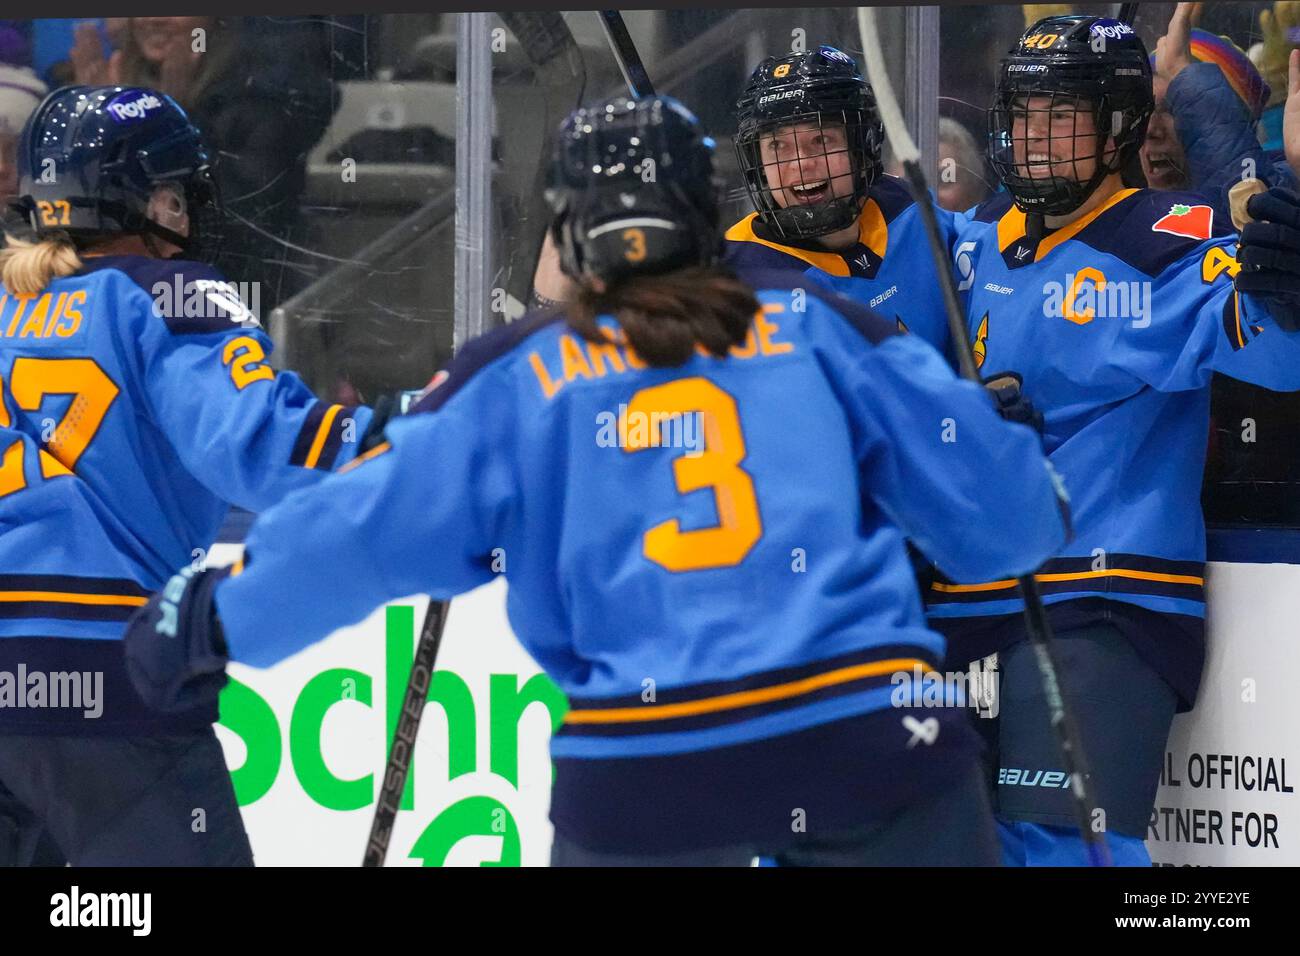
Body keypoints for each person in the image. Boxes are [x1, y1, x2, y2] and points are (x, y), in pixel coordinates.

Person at [124, 94, 1072, 867]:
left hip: (647, 773)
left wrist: (210, 618)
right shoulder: (820, 325)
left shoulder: (518, 377)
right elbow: (1010, 528)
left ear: (570, 233)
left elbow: (362, 530)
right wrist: (1017, 466)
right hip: (868, 740)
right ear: (706, 213)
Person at [930, 14, 1300, 867]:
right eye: (1026, 115)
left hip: (1102, 595)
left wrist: (1288, 296)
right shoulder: (970, 241)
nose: (1037, 138)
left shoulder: (1168, 240)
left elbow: (1268, 349)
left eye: (1064, 116)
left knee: (1061, 849)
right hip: (966, 597)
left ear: (1122, 127)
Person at [0, 85, 382, 866]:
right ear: (148, 199)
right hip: (101, 671)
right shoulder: (165, 291)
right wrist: (406, 442)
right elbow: (269, 444)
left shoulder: (8, 305)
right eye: (176, 192)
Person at [724, 45, 958, 351]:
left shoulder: (907, 208)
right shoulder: (734, 275)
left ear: (863, 147)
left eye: (821, 140)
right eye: (778, 147)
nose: (800, 164)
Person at [1146, 3, 1295, 225]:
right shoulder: (1120, 209)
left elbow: (1257, 229)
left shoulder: (1286, 188)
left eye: (1174, 108)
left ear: (1235, 122)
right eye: (1144, 109)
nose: (1150, 130)